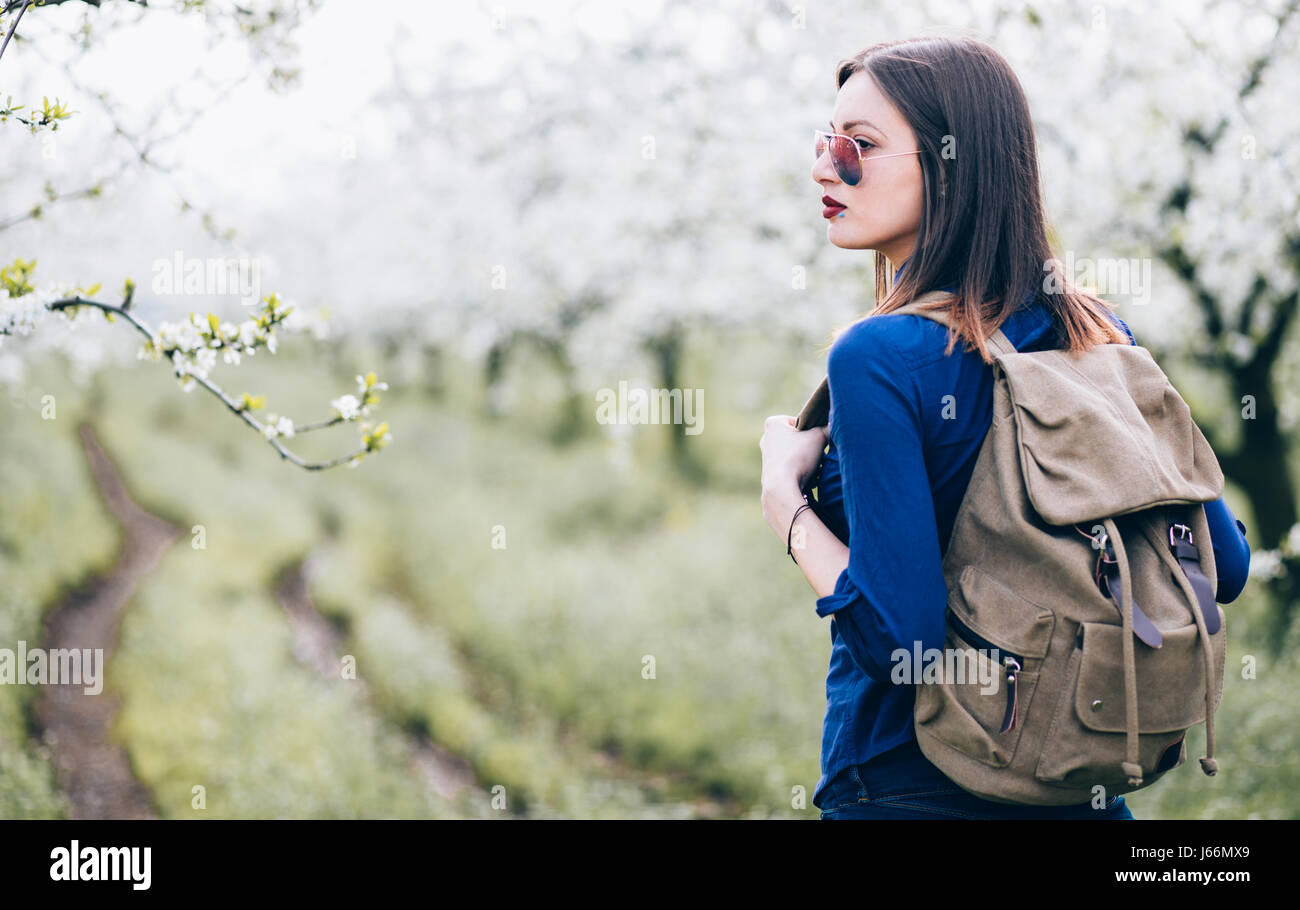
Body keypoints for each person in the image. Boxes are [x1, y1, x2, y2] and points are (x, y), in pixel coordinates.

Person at [758, 36, 1252, 820]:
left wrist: (784, 499)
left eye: (861, 146)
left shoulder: (878, 357)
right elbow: (1221, 565)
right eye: (826, 141)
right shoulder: (1098, 333)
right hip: (1080, 783)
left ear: (951, 165)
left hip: (907, 784)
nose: (826, 165)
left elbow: (897, 642)